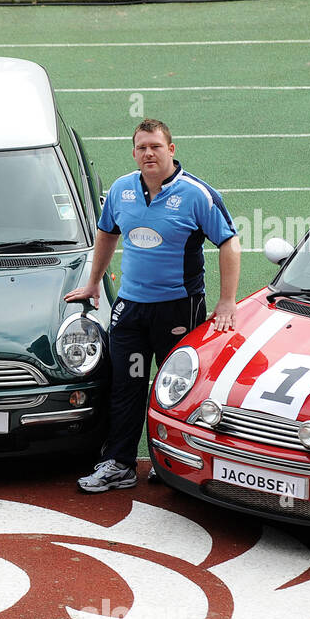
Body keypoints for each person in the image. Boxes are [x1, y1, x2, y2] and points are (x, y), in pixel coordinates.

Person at [64, 119, 240, 493]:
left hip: (179, 308)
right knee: (126, 385)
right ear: (133, 152)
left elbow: (229, 242)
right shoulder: (121, 191)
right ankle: (120, 463)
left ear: (171, 150)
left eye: (156, 147)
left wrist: (226, 301)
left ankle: (171, 461)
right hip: (131, 308)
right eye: (142, 147)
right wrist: (93, 282)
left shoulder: (196, 195)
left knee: (178, 388)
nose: (149, 153)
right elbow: (107, 232)